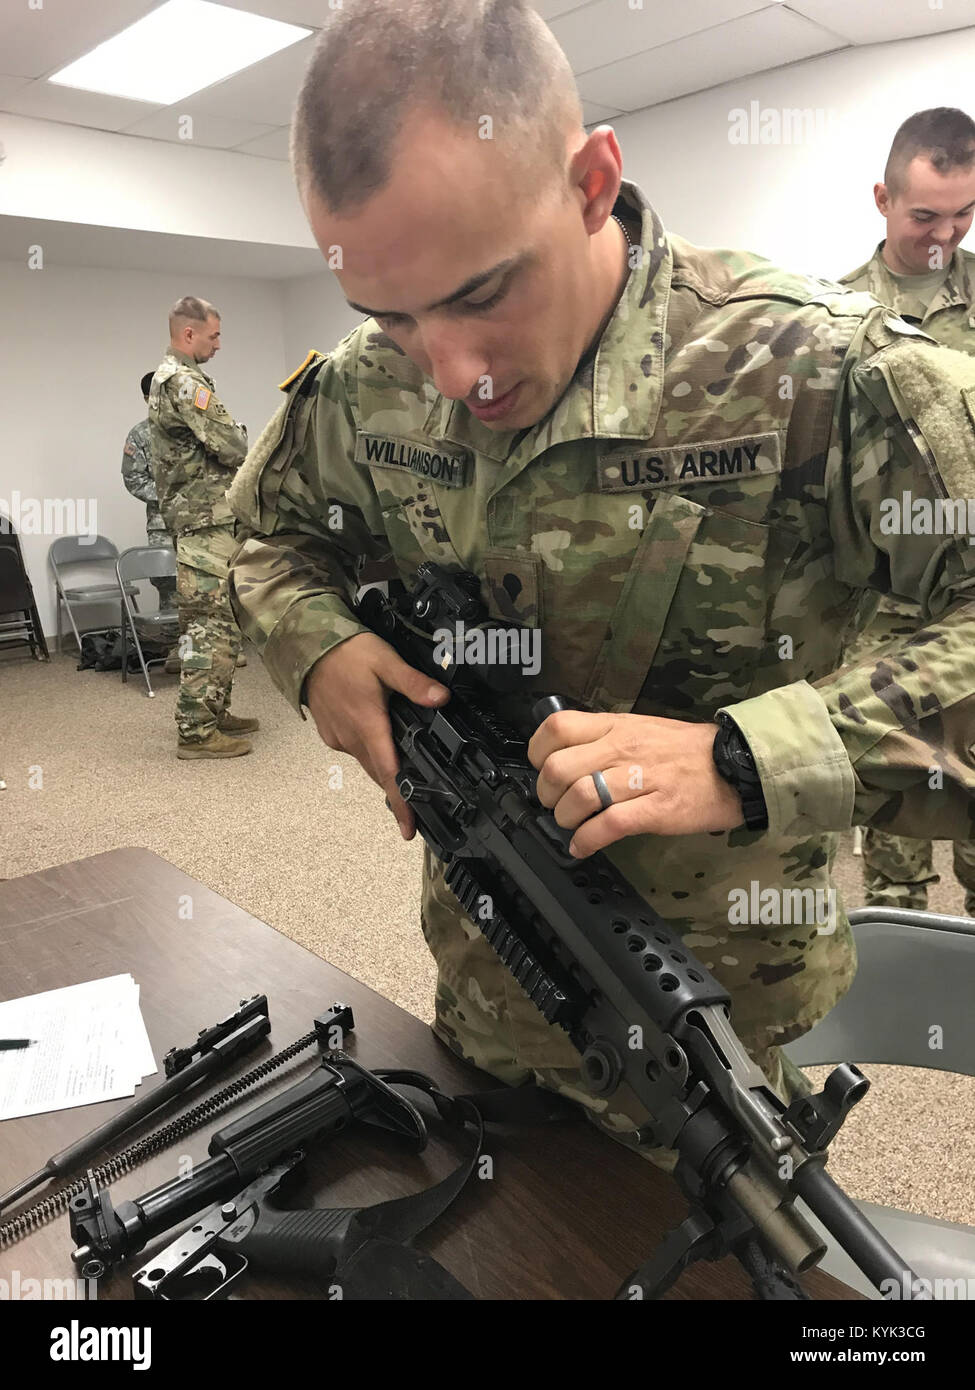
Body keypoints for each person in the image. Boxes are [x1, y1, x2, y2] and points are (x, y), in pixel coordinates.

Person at [227, 0, 975, 1165]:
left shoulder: (824, 374)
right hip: (482, 1004)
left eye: (481, 293)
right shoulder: (364, 390)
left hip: (715, 1053)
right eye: (389, 312)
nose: (452, 371)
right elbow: (260, 537)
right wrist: (315, 644)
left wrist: (745, 756)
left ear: (591, 180)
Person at [839, 108, 975, 914]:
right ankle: (897, 958)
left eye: (963, 215)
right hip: (885, 598)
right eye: (925, 215)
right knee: (892, 795)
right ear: (883, 199)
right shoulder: (834, 313)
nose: (943, 234)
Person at [148, 295, 258, 759]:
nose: (219, 344)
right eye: (213, 335)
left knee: (224, 624)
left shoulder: (177, 378)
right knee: (208, 628)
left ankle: (214, 710)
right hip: (203, 524)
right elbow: (233, 443)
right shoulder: (181, 381)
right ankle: (195, 732)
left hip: (210, 521)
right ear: (188, 333)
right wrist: (242, 432)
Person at [121, 372, 179, 661]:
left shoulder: (191, 430)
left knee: (205, 582)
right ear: (147, 398)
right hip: (163, 524)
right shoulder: (140, 435)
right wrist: (169, 497)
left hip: (199, 522)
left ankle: (208, 649)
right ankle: (175, 650)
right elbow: (133, 479)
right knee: (168, 583)